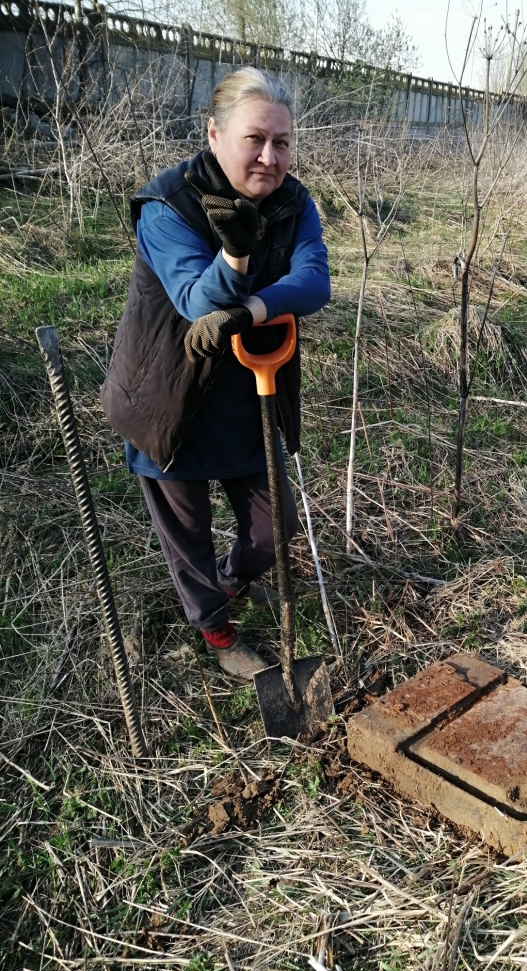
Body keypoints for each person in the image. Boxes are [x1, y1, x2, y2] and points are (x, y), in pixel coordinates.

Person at [101, 67, 331, 680]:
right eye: (255, 139)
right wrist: (235, 253)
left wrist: (255, 307)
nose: (270, 156)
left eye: (282, 142)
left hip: (250, 392)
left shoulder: (293, 202)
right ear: (214, 134)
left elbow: (314, 281)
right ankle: (216, 629)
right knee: (189, 534)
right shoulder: (167, 207)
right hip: (168, 400)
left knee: (272, 527)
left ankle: (229, 585)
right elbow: (197, 305)